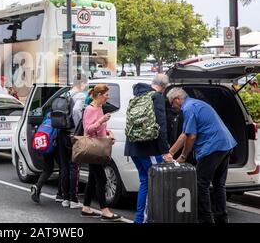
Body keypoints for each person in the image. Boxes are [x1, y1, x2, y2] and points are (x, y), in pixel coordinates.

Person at [167, 87, 237, 224]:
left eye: (171, 103)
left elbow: (191, 136)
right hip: (226, 144)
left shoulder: (188, 108)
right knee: (219, 185)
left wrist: (183, 156)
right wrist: (171, 152)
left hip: (212, 147)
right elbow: (184, 134)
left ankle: (205, 219)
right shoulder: (196, 104)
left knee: (200, 184)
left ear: (177, 99)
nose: (172, 106)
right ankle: (222, 218)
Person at [124, 74, 173, 223]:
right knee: (152, 182)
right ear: (164, 87)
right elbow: (161, 126)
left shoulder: (138, 95)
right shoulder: (156, 97)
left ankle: (141, 218)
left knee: (145, 180)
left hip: (133, 146)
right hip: (149, 148)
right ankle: (142, 219)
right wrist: (165, 151)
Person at [81, 84, 121, 221]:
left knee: (93, 179)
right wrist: (101, 120)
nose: (108, 97)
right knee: (102, 179)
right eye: (106, 95)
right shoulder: (90, 109)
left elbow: (101, 128)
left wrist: (109, 133)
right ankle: (104, 210)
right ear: (99, 95)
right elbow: (88, 129)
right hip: (93, 148)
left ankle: (86, 207)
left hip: (99, 146)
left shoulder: (99, 108)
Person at [57, 74, 87, 209]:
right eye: (85, 84)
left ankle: (65, 198)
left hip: (61, 133)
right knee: (74, 166)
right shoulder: (80, 95)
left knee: (64, 166)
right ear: (81, 84)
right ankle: (74, 199)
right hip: (72, 134)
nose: (85, 87)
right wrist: (78, 127)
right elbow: (76, 111)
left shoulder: (66, 94)